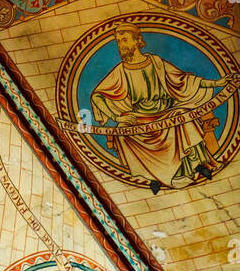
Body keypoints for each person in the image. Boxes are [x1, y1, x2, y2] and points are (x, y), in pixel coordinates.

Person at [89, 21, 228, 192]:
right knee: (123, 132)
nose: (120, 45)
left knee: (182, 115)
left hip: (167, 112)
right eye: (118, 41)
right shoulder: (121, 70)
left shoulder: (155, 62)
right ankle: (153, 176)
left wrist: (217, 83)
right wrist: (118, 117)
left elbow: (185, 80)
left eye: (124, 40)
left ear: (137, 41)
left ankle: (193, 165)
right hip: (141, 117)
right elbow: (97, 96)